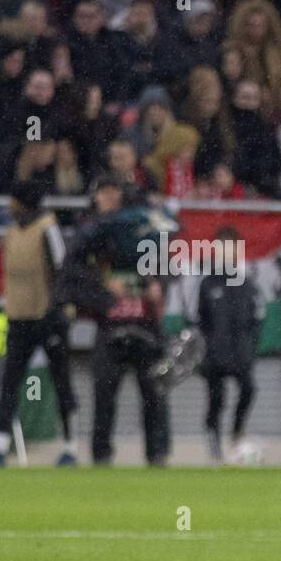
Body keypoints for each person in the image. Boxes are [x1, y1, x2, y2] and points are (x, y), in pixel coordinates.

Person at [65, 179, 173, 466]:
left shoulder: (145, 229)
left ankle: (157, 456)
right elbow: (71, 273)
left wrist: (158, 286)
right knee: (103, 396)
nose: (107, 199)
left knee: (154, 394)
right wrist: (103, 288)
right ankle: (101, 457)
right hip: (110, 326)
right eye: (102, 193)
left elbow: (166, 265)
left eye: (112, 194)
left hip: (146, 325)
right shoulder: (90, 234)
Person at [0, 180, 78, 467]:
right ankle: (0, 442)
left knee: (61, 381)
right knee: (10, 380)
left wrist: (56, 308)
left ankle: (70, 443)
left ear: (23, 203)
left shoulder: (47, 228)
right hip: (19, 317)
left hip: (46, 318)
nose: (10, 207)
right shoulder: (13, 233)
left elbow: (62, 268)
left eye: (14, 201)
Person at [197, 226, 261, 463]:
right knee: (216, 399)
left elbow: (255, 320)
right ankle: (214, 447)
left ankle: (236, 433)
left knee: (249, 389)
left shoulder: (246, 285)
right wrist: (206, 349)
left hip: (241, 353)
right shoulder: (207, 284)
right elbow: (201, 320)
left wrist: (249, 348)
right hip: (215, 355)